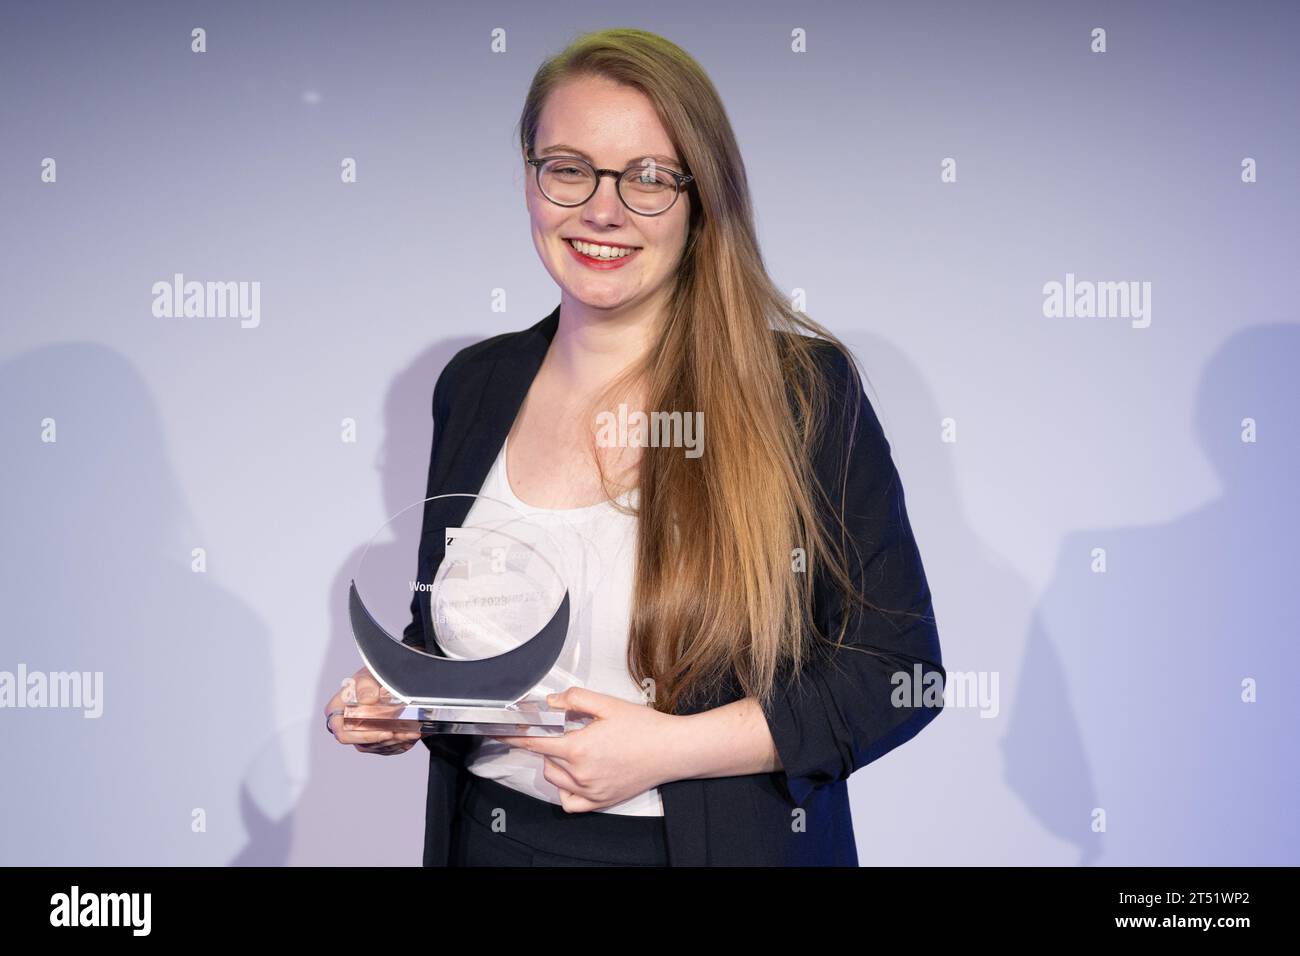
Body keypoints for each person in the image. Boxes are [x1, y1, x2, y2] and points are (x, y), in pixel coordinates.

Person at [324, 27, 945, 866]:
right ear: (531, 179)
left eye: (648, 177)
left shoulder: (799, 391)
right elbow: (458, 632)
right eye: (569, 168)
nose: (601, 209)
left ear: (701, 198)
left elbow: (896, 676)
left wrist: (669, 748)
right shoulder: (474, 385)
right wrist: (407, 699)